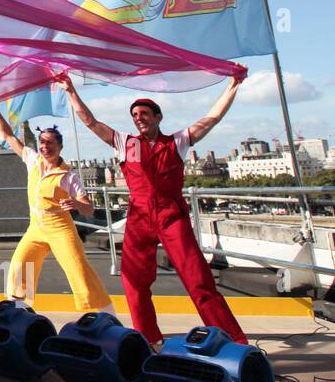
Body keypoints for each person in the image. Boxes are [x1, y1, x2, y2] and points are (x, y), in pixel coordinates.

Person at [57, 72, 246, 347]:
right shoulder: (125, 143)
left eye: (144, 113)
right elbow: (90, 121)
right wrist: (70, 90)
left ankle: (235, 341)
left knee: (198, 278)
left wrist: (233, 86)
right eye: (135, 115)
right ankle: (148, 338)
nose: (139, 118)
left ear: (158, 117)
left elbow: (212, 118)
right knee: (133, 279)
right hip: (139, 215)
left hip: (172, 215)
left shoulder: (177, 142)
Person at [0, 105, 116, 315]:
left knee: (79, 271)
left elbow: (89, 209)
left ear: (60, 147)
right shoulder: (32, 160)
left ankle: (107, 314)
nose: (45, 147)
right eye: (43, 142)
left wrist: (76, 204)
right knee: (20, 266)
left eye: (50, 143)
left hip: (60, 229)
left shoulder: (68, 177)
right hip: (36, 229)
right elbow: (9, 136)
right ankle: (17, 311)